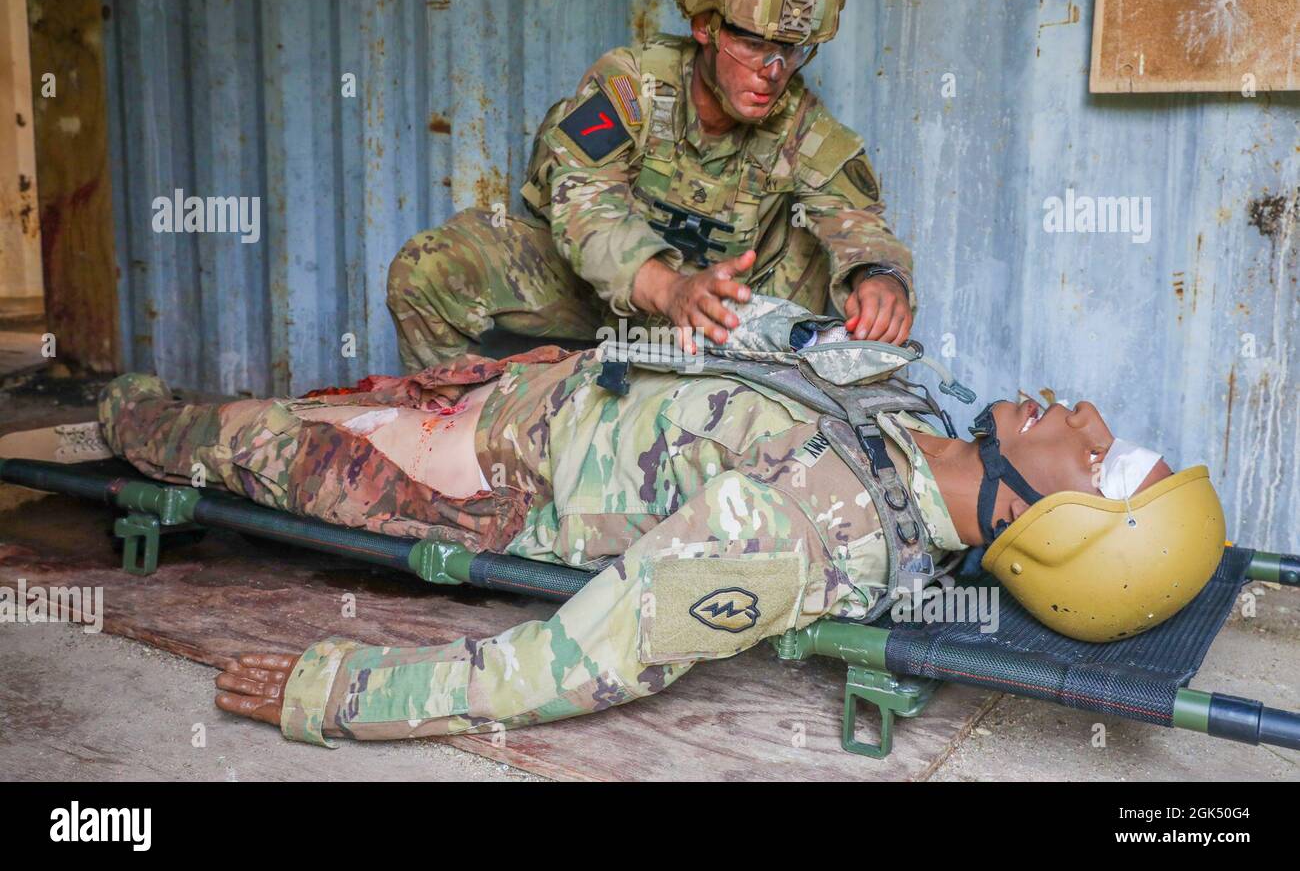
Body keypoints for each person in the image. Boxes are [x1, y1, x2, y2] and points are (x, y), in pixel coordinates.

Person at [80, 297, 1224, 748]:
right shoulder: (908, 397)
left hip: (469, 468)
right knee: (263, 406)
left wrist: (342, 692)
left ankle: (99, 402)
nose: (1082, 411)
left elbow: (580, 656)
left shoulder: (817, 533)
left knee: (193, 432)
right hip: (529, 381)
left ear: (1059, 521)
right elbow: (767, 331)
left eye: (1101, 449)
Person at [387, 0, 915, 371]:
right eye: (752, 43)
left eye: (792, 50)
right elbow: (583, 203)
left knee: (830, 260)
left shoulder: (800, 122)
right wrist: (670, 289)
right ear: (705, 24)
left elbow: (857, 220)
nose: (773, 71)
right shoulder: (632, 85)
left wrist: (880, 278)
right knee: (430, 269)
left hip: (722, 323)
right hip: (601, 297)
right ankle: (454, 437)